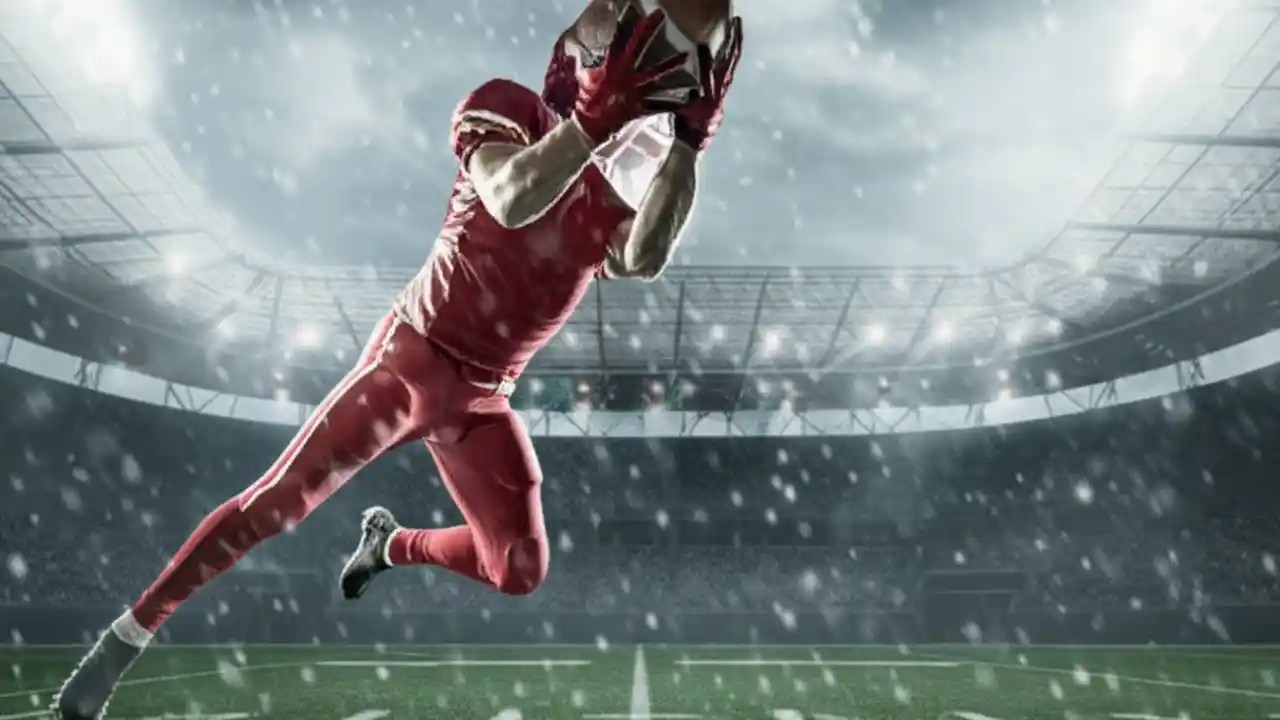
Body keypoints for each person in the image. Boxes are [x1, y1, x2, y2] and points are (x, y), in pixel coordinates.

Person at [53, 2, 744, 718]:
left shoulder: (608, 183)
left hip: (483, 396)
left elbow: (644, 258)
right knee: (278, 503)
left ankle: (391, 546)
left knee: (519, 568)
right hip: (413, 361)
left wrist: (689, 144)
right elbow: (510, 198)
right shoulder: (504, 104)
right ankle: (123, 640)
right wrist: (592, 125)